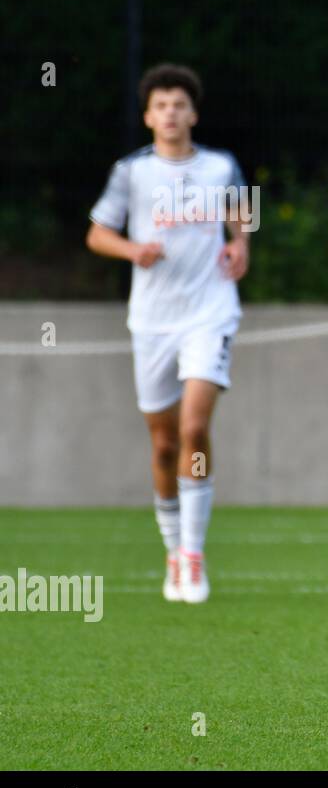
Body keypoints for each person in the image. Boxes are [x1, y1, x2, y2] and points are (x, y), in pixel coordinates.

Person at [86, 63, 250, 604]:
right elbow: (97, 233)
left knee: (195, 426)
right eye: (161, 106)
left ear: (193, 113)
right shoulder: (131, 171)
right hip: (153, 320)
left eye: (179, 104)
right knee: (162, 443)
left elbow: (242, 212)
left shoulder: (221, 165)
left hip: (210, 312)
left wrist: (239, 245)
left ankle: (196, 556)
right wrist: (132, 250)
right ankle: (173, 550)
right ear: (148, 116)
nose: (171, 113)